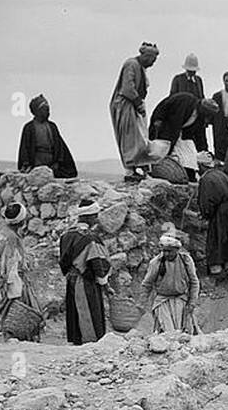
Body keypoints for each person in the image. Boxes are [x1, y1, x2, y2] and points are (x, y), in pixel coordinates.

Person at [59, 199, 112, 344]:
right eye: (95, 215)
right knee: (89, 311)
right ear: (88, 217)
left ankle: (76, 340)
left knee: (74, 311)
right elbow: (97, 262)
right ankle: (90, 342)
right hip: (86, 282)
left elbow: (63, 261)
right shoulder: (89, 238)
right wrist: (103, 282)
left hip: (71, 279)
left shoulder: (66, 235)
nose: (96, 219)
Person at [0, 202, 42, 340]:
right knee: (19, 314)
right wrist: (16, 288)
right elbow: (11, 265)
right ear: (21, 221)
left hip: (2, 280)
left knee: (7, 313)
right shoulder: (12, 238)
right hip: (13, 282)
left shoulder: (2, 233)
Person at [111, 42, 159, 180]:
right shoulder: (131, 64)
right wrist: (138, 103)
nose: (153, 63)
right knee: (130, 138)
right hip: (125, 105)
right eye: (153, 60)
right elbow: (127, 88)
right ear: (147, 56)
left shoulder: (141, 68)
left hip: (135, 104)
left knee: (140, 137)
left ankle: (139, 167)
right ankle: (131, 170)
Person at [147, 91, 219, 178]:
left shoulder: (200, 118)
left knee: (188, 150)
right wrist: (158, 119)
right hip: (166, 128)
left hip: (181, 135)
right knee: (160, 150)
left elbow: (200, 136)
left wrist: (204, 153)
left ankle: (188, 172)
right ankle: (154, 169)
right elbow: (164, 106)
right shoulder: (185, 100)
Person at [142, 233, 201, 333]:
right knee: (168, 333)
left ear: (177, 250)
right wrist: (142, 303)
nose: (167, 254)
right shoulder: (156, 263)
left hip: (181, 300)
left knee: (184, 332)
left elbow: (194, 282)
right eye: (164, 251)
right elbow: (147, 284)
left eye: (170, 251)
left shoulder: (186, 260)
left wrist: (192, 303)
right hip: (162, 301)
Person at [17, 94, 77, 178]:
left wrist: (57, 162)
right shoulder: (29, 127)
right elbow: (24, 149)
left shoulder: (52, 126)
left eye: (48, 109)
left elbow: (60, 148)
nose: (48, 112)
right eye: (44, 109)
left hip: (52, 162)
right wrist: (26, 164)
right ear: (37, 111)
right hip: (37, 162)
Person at [168, 54, 209, 152]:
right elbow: (172, 97)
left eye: (193, 71)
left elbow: (201, 97)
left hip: (197, 117)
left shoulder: (198, 81)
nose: (192, 72)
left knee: (201, 143)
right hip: (183, 118)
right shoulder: (178, 79)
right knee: (184, 142)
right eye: (190, 70)